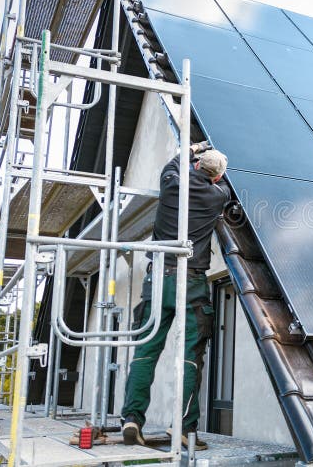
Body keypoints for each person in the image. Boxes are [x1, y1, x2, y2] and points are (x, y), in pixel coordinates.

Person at [121, 141, 230, 451]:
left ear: (196, 166)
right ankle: (182, 428)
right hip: (190, 282)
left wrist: (192, 149)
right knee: (191, 357)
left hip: (156, 279)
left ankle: (132, 419)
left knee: (146, 352)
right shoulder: (218, 195)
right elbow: (223, 186)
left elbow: (174, 163)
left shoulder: (171, 183)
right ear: (217, 177)